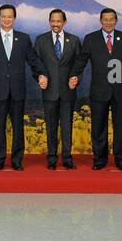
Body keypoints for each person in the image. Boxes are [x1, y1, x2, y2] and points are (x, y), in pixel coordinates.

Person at [0, 4, 41, 170]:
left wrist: (40, 74)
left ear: (14, 18)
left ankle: (17, 161)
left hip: (18, 90)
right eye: (3, 16)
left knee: (18, 127)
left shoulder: (24, 38)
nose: (6, 19)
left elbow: (33, 60)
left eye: (10, 16)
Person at [80, 8, 122, 171]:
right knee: (98, 126)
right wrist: (74, 75)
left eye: (111, 19)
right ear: (100, 21)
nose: (108, 22)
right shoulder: (90, 39)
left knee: (120, 125)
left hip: (119, 90)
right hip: (99, 90)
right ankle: (99, 158)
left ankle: (121, 158)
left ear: (116, 21)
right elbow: (81, 60)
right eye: (105, 19)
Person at [33, 9, 82, 170]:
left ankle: (67, 158)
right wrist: (40, 76)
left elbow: (79, 65)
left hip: (68, 91)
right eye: (53, 21)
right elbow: (36, 64)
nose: (55, 24)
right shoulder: (40, 40)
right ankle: (52, 157)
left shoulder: (74, 40)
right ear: (49, 22)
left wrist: (76, 77)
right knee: (51, 126)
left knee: (67, 126)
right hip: (49, 91)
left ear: (64, 22)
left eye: (59, 21)